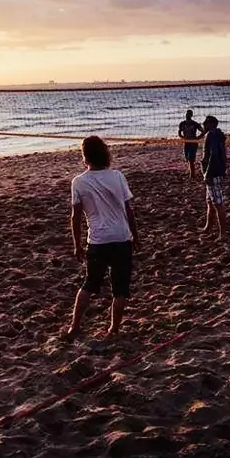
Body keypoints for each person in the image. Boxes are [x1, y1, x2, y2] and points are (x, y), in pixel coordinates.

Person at [68, 136, 140, 338]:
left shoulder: (78, 182)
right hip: (120, 238)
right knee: (120, 289)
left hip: (98, 241)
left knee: (89, 285)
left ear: (85, 157)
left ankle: (74, 327)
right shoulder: (117, 176)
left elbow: (76, 218)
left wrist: (77, 245)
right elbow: (129, 210)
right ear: (104, 153)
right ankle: (113, 329)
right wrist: (135, 235)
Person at [201, 115, 227, 239]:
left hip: (213, 174)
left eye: (205, 122)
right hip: (216, 172)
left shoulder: (211, 135)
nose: (203, 124)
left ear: (211, 124)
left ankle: (223, 233)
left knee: (218, 204)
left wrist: (207, 173)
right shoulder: (217, 134)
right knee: (210, 202)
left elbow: (214, 154)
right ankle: (208, 228)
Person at [178, 109, 204, 178]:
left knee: (191, 159)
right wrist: (182, 137)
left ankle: (192, 175)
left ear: (191, 115)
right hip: (186, 142)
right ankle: (191, 171)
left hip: (193, 143)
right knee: (187, 158)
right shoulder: (182, 123)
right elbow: (179, 132)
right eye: (187, 113)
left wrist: (197, 138)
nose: (188, 115)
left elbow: (203, 131)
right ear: (185, 114)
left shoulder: (195, 123)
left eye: (189, 114)